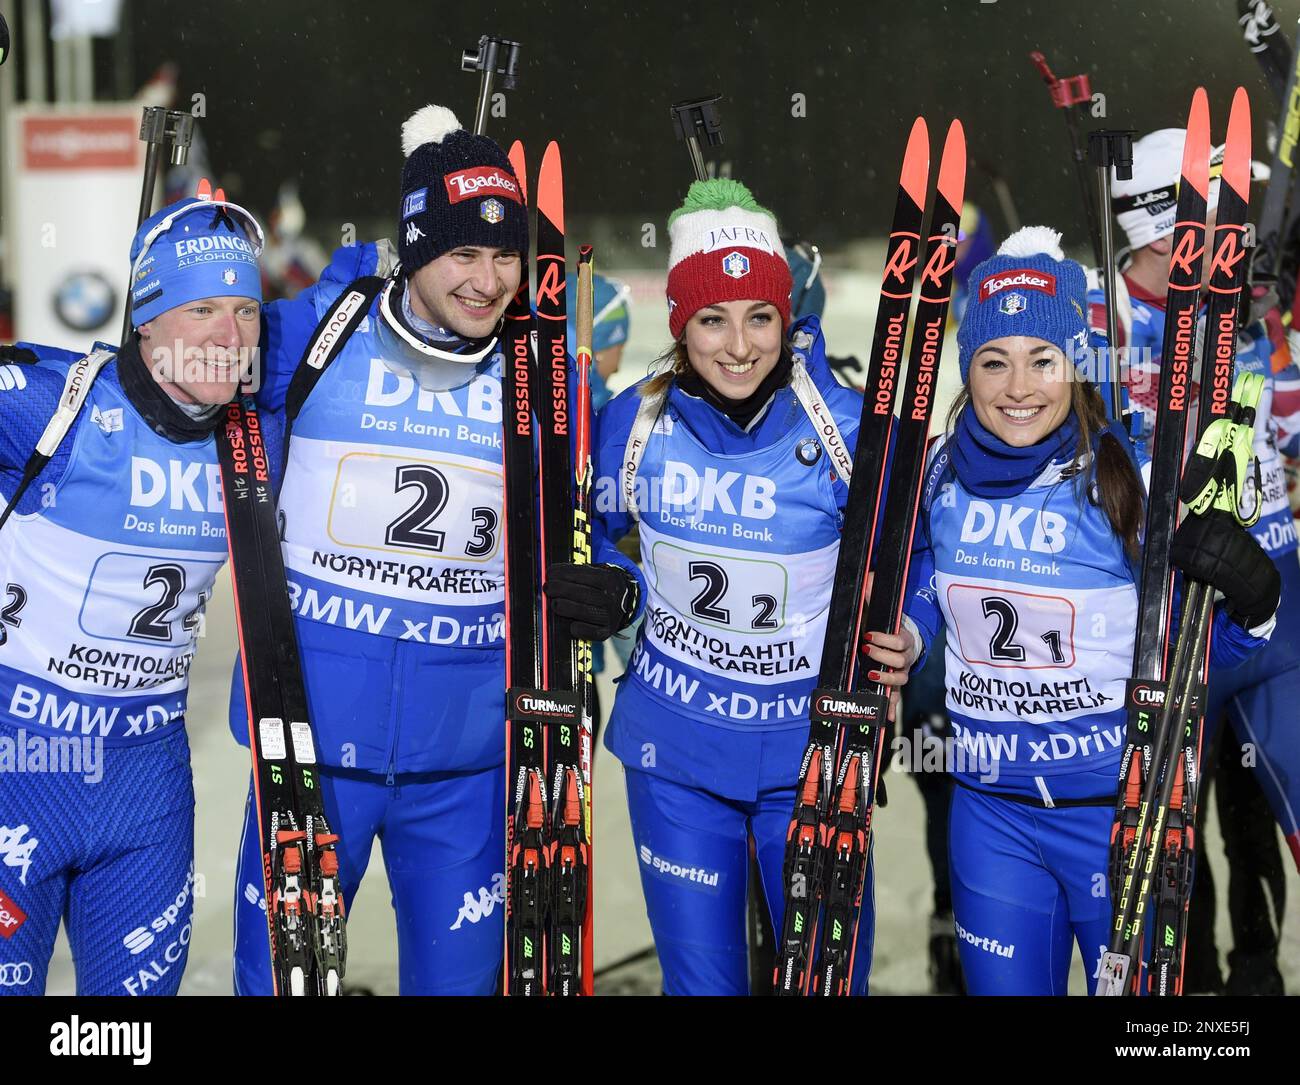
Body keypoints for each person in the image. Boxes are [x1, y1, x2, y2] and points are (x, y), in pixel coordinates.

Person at [229, 104, 638, 995]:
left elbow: (594, 524)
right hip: (309, 747)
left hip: (468, 765)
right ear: (415, 249)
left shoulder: (540, 381)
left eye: (504, 256)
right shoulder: (313, 337)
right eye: (463, 254)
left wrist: (617, 587)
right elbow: (187, 383)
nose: (489, 281)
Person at [873, 227, 1279, 995]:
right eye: (994, 361)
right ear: (968, 369)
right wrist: (916, 633)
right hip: (989, 816)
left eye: (1043, 360)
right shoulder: (939, 473)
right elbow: (925, 571)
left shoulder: (1127, 479)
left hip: (1117, 816)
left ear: (1077, 367)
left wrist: (1254, 598)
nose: (1017, 386)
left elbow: (1201, 647)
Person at [592, 177, 875, 995]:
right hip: (675, 753)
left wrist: (912, 629)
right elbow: (602, 539)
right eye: (712, 319)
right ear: (681, 326)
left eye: (760, 317)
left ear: (790, 319)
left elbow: (915, 551)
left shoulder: (848, 426)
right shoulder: (632, 423)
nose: (740, 344)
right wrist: (608, 583)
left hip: (812, 756)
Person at [0, 191, 264, 994]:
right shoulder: (54, 404)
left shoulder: (254, 438)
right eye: (204, 310)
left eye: (247, 311)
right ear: (146, 318)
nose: (230, 337)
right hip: (19, 762)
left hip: (145, 788)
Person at [1088, 130, 1300, 992]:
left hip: (1272, 606)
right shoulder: (1102, 323)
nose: (1241, 240)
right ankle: (1199, 987)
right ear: (1160, 230)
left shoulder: (1253, 316)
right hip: (1169, 624)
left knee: (1258, 819)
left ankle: (1257, 978)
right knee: (1168, 819)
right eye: (1221, 220)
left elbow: (1289, 434)